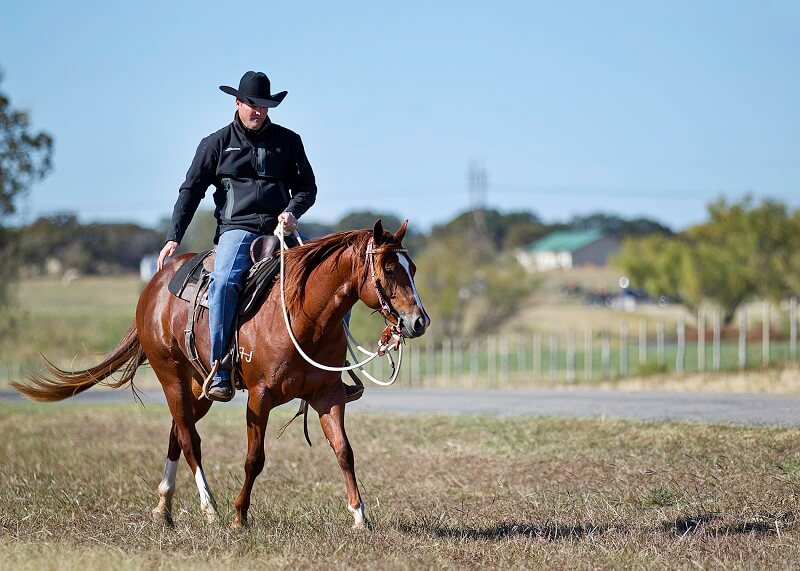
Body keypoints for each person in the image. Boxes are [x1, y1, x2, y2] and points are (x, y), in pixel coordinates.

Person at [157, 71, 315, 401]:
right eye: (252, 105)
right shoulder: (215, 143)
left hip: (279, 228)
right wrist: (174, 236)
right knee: (225, 281)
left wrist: (291, 212)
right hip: (237, 230)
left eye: (265, 106)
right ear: (238, 103)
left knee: (330, 272)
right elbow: (191, 192)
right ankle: (220, 366)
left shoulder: (288, 141)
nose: (258, 112)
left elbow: (307, 189)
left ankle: (334, 366)